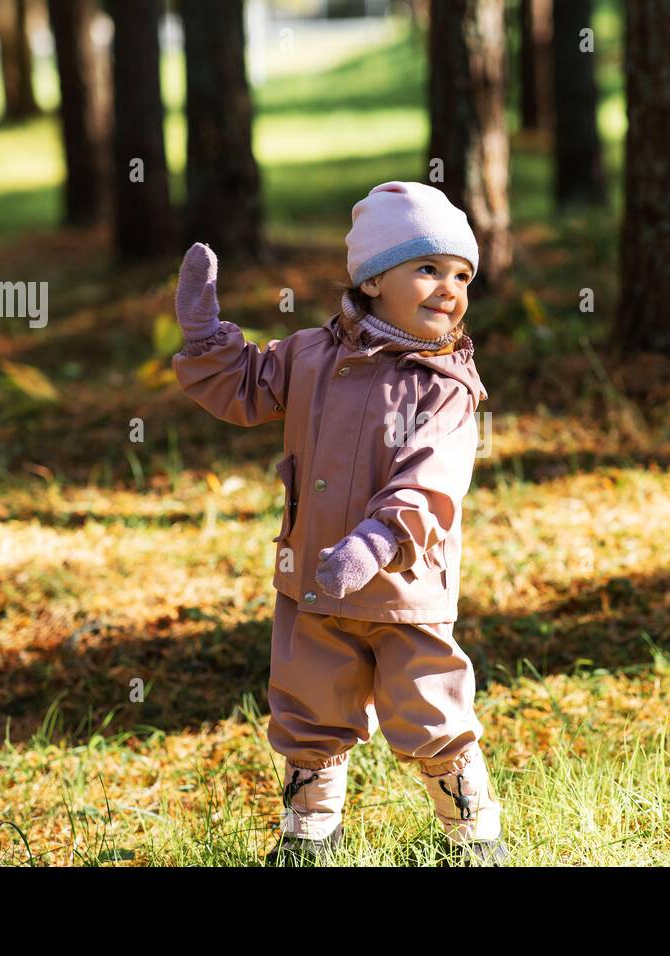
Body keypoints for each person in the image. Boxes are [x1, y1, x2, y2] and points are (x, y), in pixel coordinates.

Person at [172, 181, 506, 865]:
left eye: (461, 275)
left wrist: (380, 540)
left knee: (428, 714)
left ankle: (472, 837)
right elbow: (242, 387)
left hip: (405, 590)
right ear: (374, 279)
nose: (449, 287)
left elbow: (432, 483)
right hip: (314, 582)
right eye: (429, 268)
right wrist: (205, 336)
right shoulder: (308, 356)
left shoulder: (445, 387)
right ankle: (310, 835)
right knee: (308, 710)